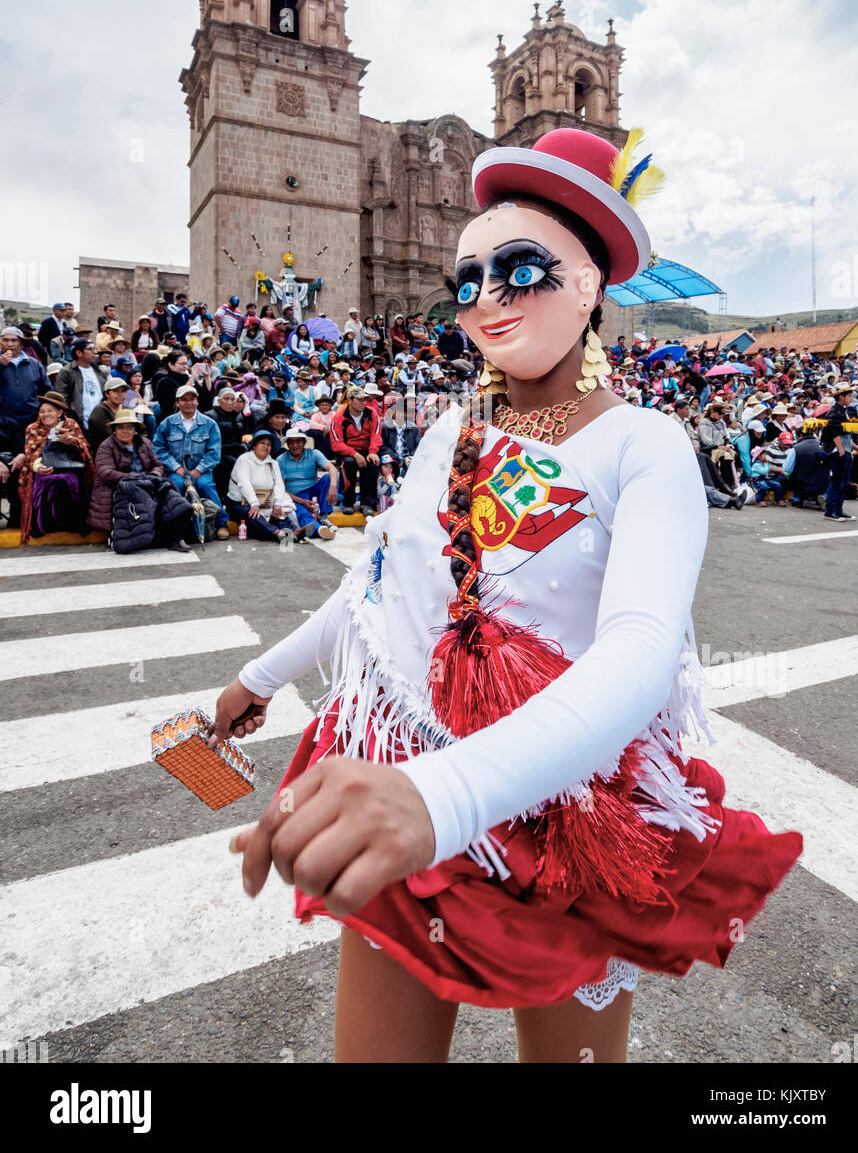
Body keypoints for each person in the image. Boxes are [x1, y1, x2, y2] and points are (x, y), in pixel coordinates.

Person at [212, 127, 801, 1063]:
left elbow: (642, 653)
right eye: (468, 279)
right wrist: (260, 675)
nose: (487, 300)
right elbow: (381, 592)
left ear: (592, 286)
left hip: (560, 816)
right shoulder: (453, 427)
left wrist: (442, 800)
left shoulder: (642, 444)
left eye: (523, 269)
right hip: (406, 775)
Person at [89, 410, 192, 553]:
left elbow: (158, 465)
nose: (125, 431)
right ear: (114, 430)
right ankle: (138, 539)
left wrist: (153, 476)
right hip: (121, 486)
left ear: (135, 430)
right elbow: (106, 473)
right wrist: (134, 478)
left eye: (130, 427)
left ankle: (176, 537)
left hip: (146, 481)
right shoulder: (106, 446)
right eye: (121, 427)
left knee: (168, 492)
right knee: (141, 497)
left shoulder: (145, 443)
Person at [152, 384, 230, 538]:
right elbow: (158, 449)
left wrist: (199, 470)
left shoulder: (209, 424)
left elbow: (214, 453)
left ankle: (222, 523)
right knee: (175, 486)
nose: (188, 403)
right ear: (178, 403)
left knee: (206, 485)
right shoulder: (167, 423)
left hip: (202, 471)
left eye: (192, 399)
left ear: (197, 402)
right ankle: (176, 527)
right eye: (184, 400)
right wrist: (175, 467)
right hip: (176, 471)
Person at [18, 391, 95, 544]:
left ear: (59, 412)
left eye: (50, 411)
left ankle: (72, 523)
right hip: (42, 469)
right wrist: (37, 467)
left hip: (69, 468)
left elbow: (85, 448)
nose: (45, 414)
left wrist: (73, 442)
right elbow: (30, 455)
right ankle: (45, 524)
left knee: (68, 482)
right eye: (42, 411)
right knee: (47, 482)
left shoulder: (71, 425)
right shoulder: (32, 429)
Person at [226, 431, 304, 543]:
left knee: (277, 512)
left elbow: (279, 484)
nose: (266, 447)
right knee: (252, 513)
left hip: (264, 501)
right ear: (254, 446)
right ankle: (278, 533)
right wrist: (254, 503)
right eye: (262, 443)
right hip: (240, 503)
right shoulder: (244, 460)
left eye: (269, 444)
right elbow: (244, 483)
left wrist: (277, 502)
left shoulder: (273, 463)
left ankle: (293, 531)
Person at [329, 384, 381, 515]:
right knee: (349, 463)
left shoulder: (372, 413)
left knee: (373, 463)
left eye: (364, 399)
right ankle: (348, 502)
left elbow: (376, 433)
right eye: (359, 399)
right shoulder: (338, 417)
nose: (363, 402)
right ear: (350, 400)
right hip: (347, 451)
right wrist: (354, 454)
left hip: (367, 449)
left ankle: (368, 503)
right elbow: (336, 443)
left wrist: (373, 451)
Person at [278, 431, 337, 536]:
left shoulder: (314, 453)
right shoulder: (281, 460)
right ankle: (318, 529)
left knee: (328, 478)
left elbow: (332, 468)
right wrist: (301, 501)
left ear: (304, 442)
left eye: (298, 441)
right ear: (287, 444)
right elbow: (281, 489)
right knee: (301, 511)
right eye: (291, 442)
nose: (295, 445)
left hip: (313, 490)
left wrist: (333, 487)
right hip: (294, 496)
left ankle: (324, 516)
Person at [821, 382, 858, 522]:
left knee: (843, 483)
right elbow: (834, 434)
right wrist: (841, 451)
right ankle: (830, 511)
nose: (851, 398)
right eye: (849, 395)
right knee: (837, 482)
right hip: (837, 451)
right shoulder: (834, 412)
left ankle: (839, 510)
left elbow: (845, 436)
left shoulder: (843, 410)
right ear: (841, 397)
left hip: (844, 449)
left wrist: (855, 448)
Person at [0, 325, 48, 450]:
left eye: (14, 340)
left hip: (30, 419)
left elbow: (46, 390)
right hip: (3, 421)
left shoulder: (34, 364)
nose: (9, 344)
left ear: (21, 343)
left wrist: (41, 411)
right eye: (5, 340)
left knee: (30, 456)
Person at [55, 338, 105, 432]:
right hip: (79, 424)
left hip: (101, 423)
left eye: (95, 348)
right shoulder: (66, 372)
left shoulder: (100, 371)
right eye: (90, 349)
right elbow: (62, 400)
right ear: (79, 353)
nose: (95, 352)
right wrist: (71, 421)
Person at [86, 376, 129, 452]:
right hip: (104, 452)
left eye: (123, 391)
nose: (120, 394)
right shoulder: (100, 411)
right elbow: (109, 437)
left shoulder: (125, 408)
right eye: (116, 391)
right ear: (107, 394)